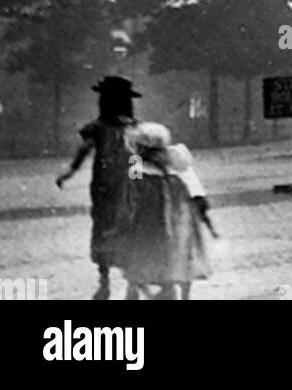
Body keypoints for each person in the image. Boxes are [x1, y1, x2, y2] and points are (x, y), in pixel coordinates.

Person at [55, 75, 140, 300]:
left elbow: (85, 150)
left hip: (104, 186)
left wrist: (70, 171)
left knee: (102, 228)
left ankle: (104, 283)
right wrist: (137, 181)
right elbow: (136, 159)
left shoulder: (97, 128)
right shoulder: (134, 128)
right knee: (130, 229)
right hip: (128, 186)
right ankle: (132, 282)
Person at [121, 122, 212, 300]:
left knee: (142, 263)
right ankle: (177, 294)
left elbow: (130, 194)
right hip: (176, 221)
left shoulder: (136, 163)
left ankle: (140, 291)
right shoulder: (177, 161)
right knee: (175, 261)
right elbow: (196, 191)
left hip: (149, 221)